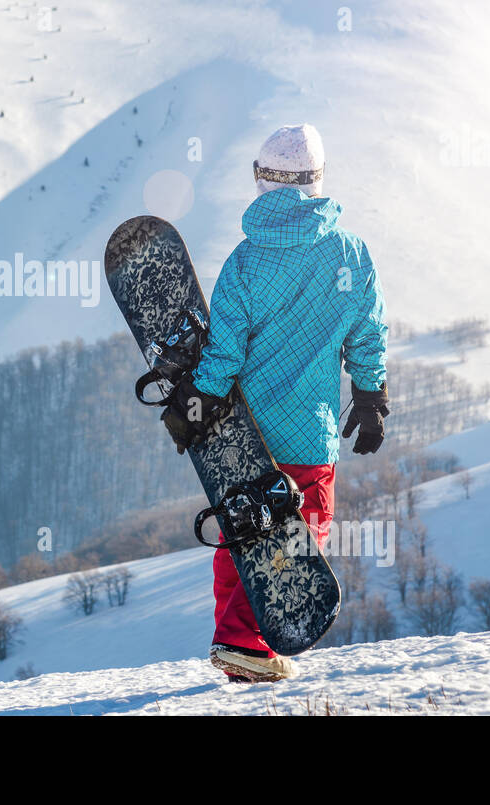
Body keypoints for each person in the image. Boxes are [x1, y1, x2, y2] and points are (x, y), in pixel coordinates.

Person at [160, 123, 388, 682]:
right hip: (309, 434)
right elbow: (367, 333)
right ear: (318, 181)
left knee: (242, 530)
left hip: (242, 434)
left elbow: (224, 353)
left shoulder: (244, 261)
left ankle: (236, 644)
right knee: (295, 542)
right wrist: (369, 393)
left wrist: (197, 400)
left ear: (261, 180)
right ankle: (247, 645)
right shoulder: (350, 254)